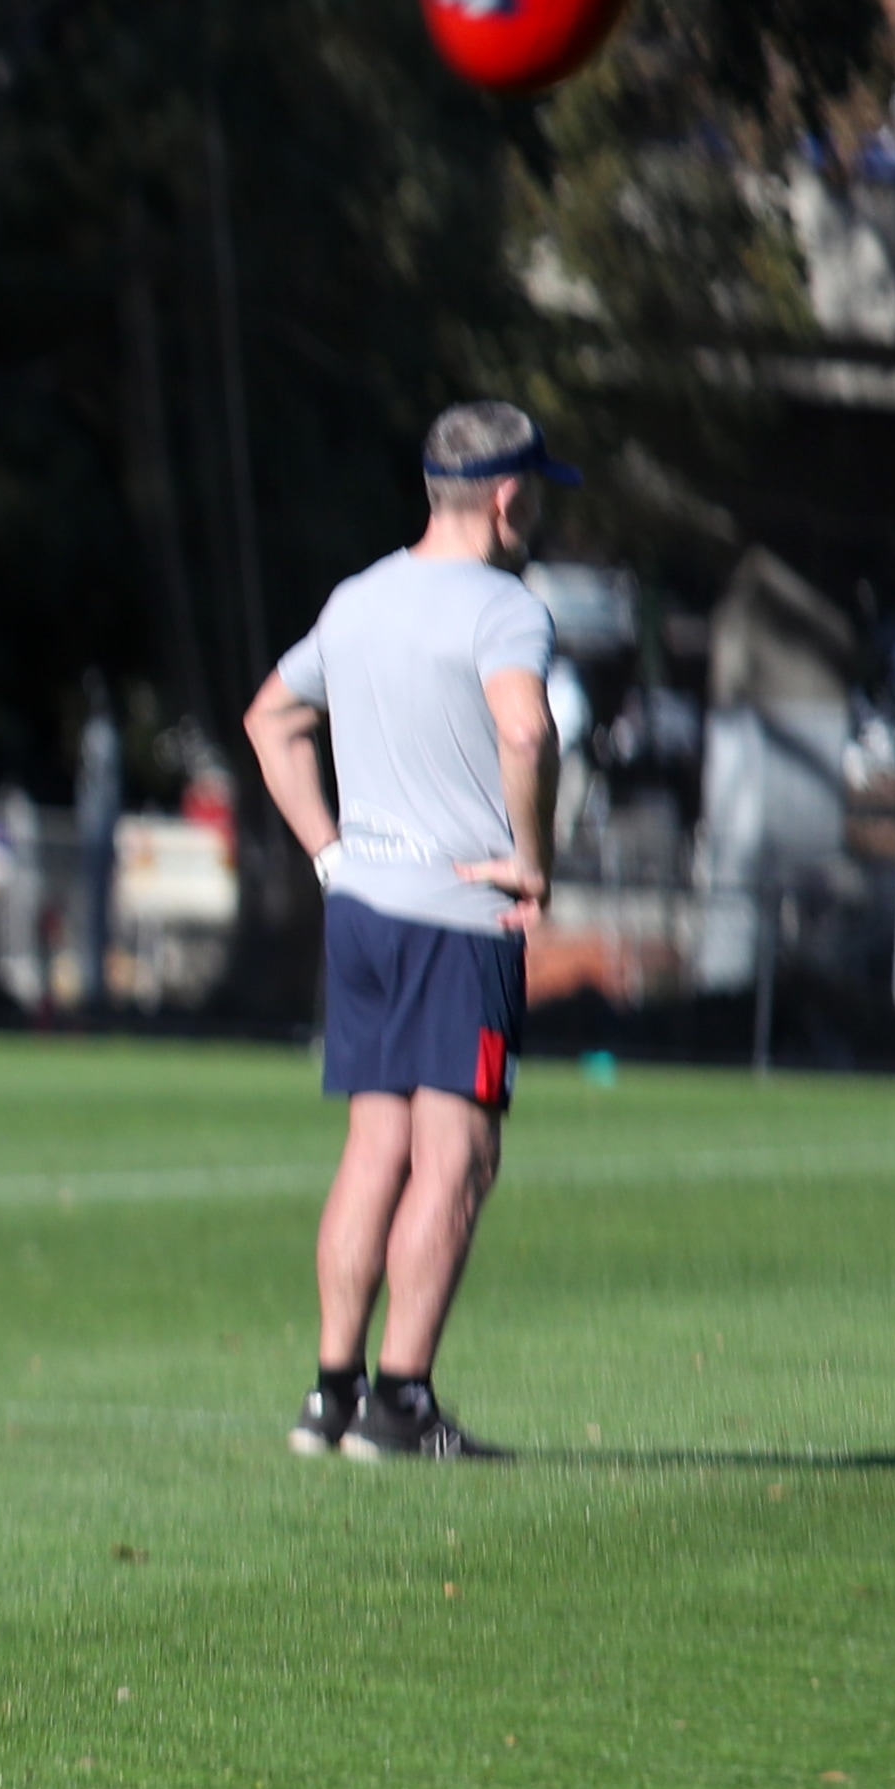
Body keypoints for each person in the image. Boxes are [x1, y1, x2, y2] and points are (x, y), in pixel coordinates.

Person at [241, 401, 562, 1463]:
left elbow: (269, 720)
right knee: (457, 1154)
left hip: (363, 911)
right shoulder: (503, 608)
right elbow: (525, 725)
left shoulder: (357, 598)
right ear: (506, 498)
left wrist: (330, 853)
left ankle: (329, 1396)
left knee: (374, 1148)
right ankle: (402, 1402)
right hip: (459, 919)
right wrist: (533, 852)